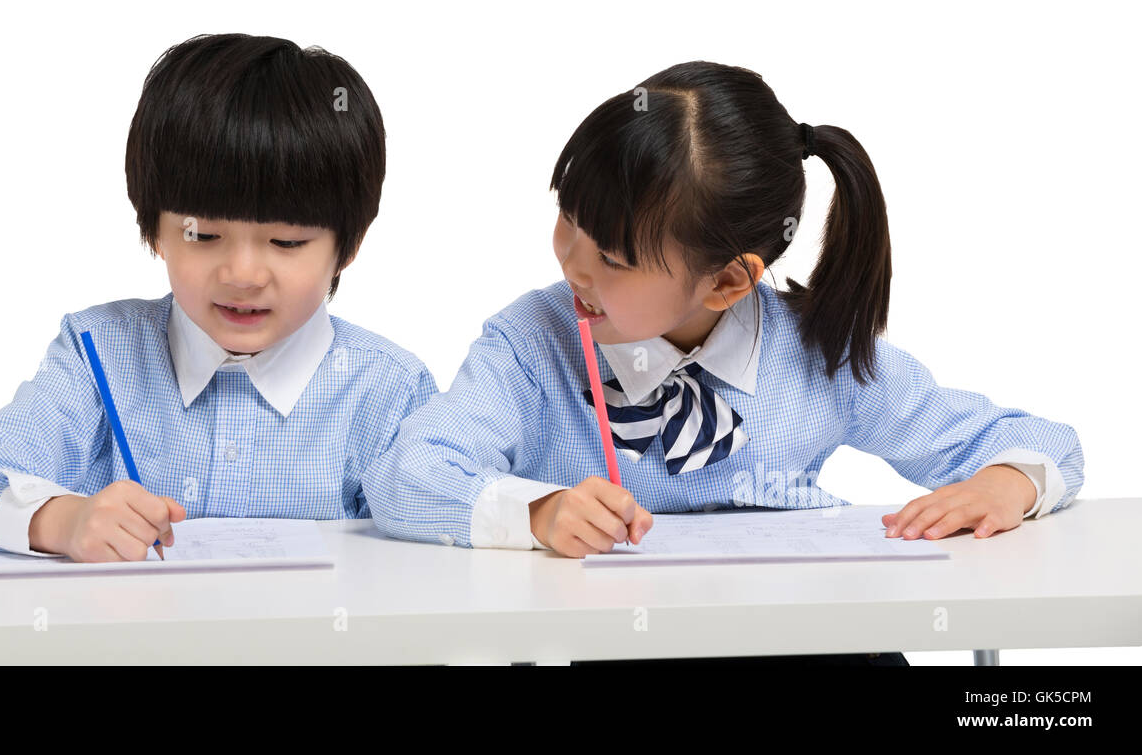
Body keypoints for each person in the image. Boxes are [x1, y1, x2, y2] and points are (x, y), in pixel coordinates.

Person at [363, 60, 1083, 665]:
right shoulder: (531, 344)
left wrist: (1005, 484)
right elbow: (406, 475)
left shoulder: (814, 351)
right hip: (603, 646)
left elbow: (1043, 442)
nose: (573, 263)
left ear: (729, 281)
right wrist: (540, 511)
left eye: (612, 257)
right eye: (569, 220)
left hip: (800, 646)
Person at [0, 33, 436, 561]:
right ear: (153, 231)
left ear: (348, 246)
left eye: (287, 242)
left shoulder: (388, 389)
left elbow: (446, 534)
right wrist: (62, 520)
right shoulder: (99, 353)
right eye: (204, 235)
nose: (243, 274)